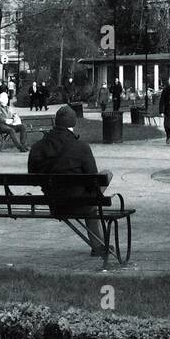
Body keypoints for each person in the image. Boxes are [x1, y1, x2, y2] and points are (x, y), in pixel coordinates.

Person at [27, 104, 107, 257]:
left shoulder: (38, 147)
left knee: (93, 191)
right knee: (104, 177)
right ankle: (98, 245)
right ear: (73, 123)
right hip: (78, 204)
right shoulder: (81, 147)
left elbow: (33, 178)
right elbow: (92, 179)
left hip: (54, 202)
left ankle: (98, 244)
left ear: (56, 122)